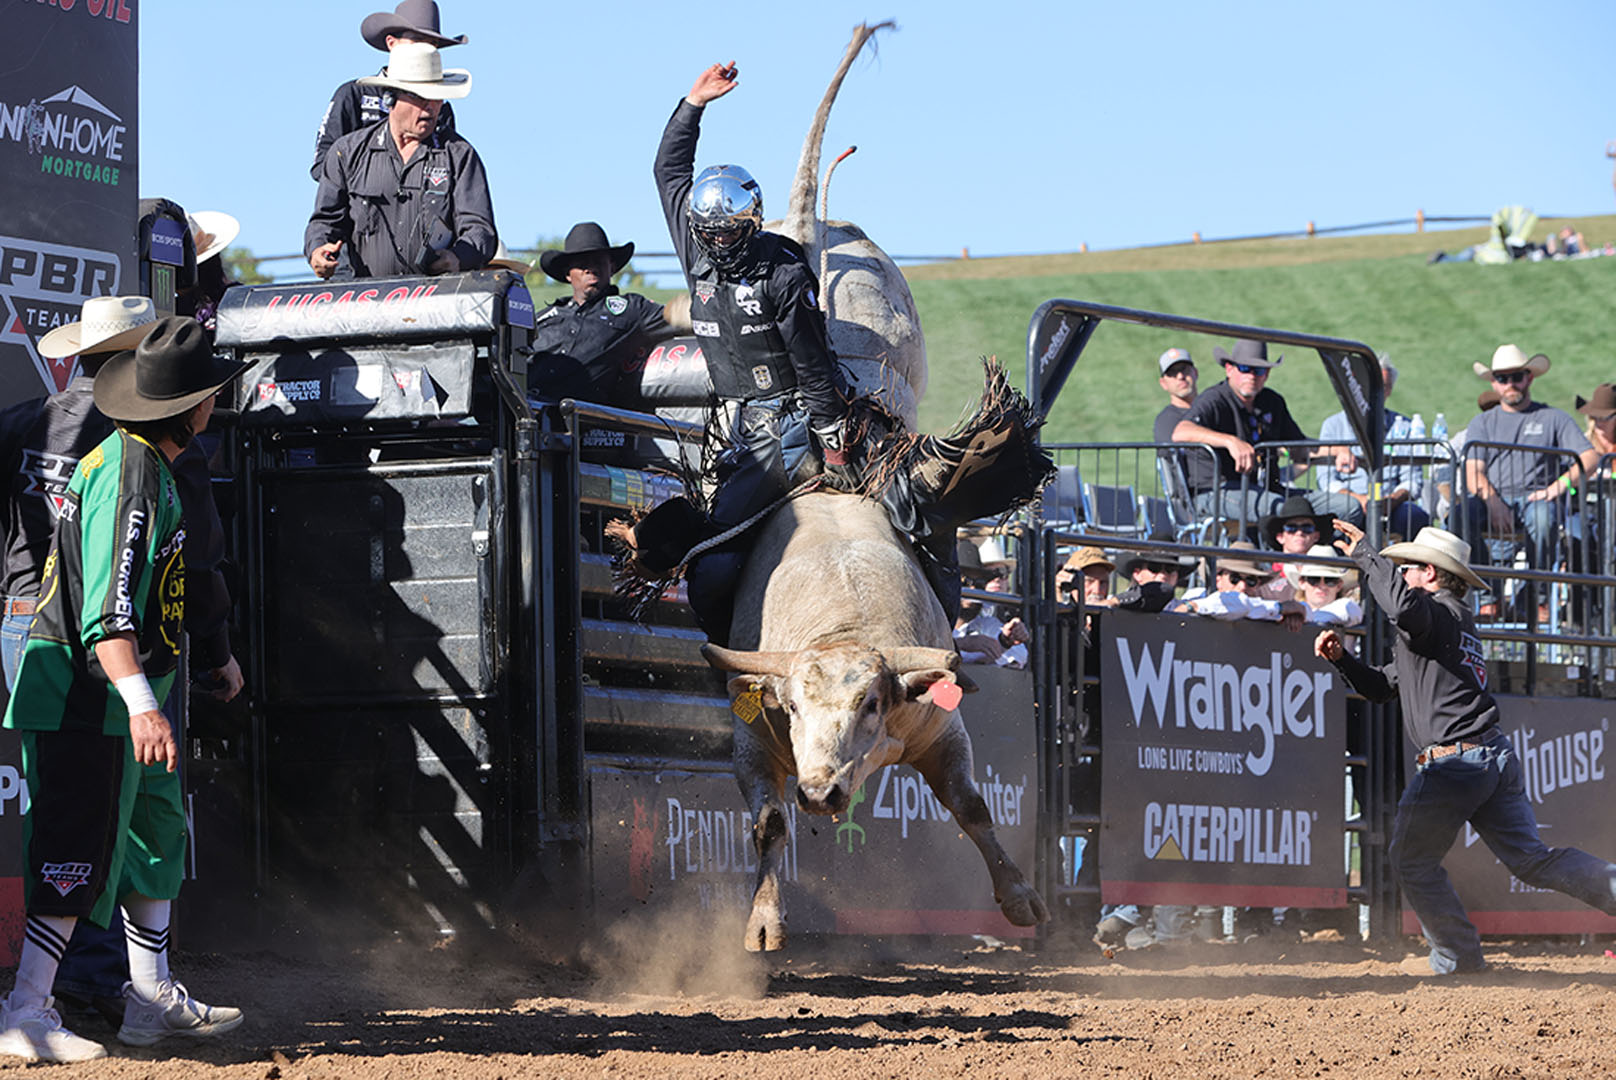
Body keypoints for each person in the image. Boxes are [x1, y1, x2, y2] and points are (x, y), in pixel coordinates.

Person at [0, 318, 247, 1062]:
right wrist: (143, 702)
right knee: (78, 839)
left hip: (115, 681)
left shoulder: (145, 462)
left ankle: (149, 997)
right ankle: (26, 1009)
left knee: (149, 834)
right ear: (197, 407)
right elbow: (108, 607)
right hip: (91, 689)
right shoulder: (133, 472)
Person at [1315, 521, 1616, 975]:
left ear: (1431, 574)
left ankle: (1458, 957)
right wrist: (1344, 660)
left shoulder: (1435, 615)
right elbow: (1381, 687)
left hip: (1456, 762)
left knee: (1411, 859)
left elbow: (1400, 606)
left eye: (1408, 568)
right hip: (1490, 756)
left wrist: (1365, 554)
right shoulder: (1452, 622)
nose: (1403, 575)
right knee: (1531, 860)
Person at [650, 61, 852, 644]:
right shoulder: (698, 251)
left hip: (789, 425)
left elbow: (814, 364)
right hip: (739, 424)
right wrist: (693, 103)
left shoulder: (784, 271)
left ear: (750, 224)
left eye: (725, 233)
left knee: (709, 570)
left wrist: (833, 442)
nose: (713, 242)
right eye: (705, 232)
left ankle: (736, 679)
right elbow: (668, 171)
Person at [306, 41, 495, 281]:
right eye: (420, 97)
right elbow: (325, 221)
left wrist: (457, 258)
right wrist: (318, 250)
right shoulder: (347, 153)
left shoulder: (459, 155)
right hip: (361, 302)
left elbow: (480, 231)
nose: (431, 106)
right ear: (390, 98)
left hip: (436, 304)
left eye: (437, 98)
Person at [1453, 345, 1596, 568]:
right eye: (1502, 378)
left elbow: (1589, 457)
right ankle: (1488, 591)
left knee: (1542, 520)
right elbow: (1473, 472)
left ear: (1529, 378)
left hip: (1537, 500)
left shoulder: (1554, 418)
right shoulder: (1482, 423)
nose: (1510, 384)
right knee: (1457, 516)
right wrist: (1494, 503)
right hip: (1493, 497)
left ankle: (1537, 594)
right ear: (1494, 383)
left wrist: (1557, 487)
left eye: (1516, 376)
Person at [310, 0, 465, 181]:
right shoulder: (353, 95)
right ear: (391, 43)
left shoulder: (440, 106)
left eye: (432, 44)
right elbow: (322, 166)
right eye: (417, 41)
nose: (425, 50)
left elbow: (448, 169)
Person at [525, 222, 674, 403]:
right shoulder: (543, 317)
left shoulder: (631, 310)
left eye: (597, 260)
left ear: (611, 267)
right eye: (581, 263)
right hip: (522, 409)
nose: (590, 268)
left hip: (577, 419)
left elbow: (681, 315)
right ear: (568, 274)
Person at [1172, 339, 1308, 530]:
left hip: (1267, 490)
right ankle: (1282, 559)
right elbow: (1181, 432)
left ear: (1267, 374)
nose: (1251, 376)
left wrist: (1340, 452)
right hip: (1215, 491)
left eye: (1259, 370)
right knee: (1283, 508)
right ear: (1229, 369)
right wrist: (1230, 441)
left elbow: (1301, 448)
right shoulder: (1215, 398)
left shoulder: (1272, 401)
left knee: (1345, 507)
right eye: (1244, 368)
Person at [1313, 356, 1430, 539]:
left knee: (1415, 517)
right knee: (1345, 513)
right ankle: (1341, 565)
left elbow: (1413, 480)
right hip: (1348, 501)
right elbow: (1326, 480)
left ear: (1389, 390)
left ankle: (1411, 566)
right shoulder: (1332, 425)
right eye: (1368, 385)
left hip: (1392, 504)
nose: (1374, 392)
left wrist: (1392, 500)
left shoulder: (1405, 427)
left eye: (1381, 386)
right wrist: (1358, 500)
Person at [1170, 541, 1305, 631]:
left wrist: (1296, 612)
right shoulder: (1197, 596)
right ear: (1218, 579)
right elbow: (1235, 603)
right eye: (1234, 578)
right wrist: (1281, 608)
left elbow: (1311, 612)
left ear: (1258, 584)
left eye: (1250, 580)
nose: (1242, 586)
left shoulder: (1263, 607)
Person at [953, 538, 1028, 667]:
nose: (973, 589)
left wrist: (1006, 640)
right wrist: (962, 644)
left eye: (979, 583)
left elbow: (1020, 655)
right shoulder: (930, 618)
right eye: (965, 582)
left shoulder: (985, 624)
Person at [1256, 494, 1334, 598]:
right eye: (1291, 528)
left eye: (1307, 528)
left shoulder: (1330, 577)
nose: (1299, 532)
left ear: (1316, 536)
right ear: (1280, 537)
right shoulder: (1263, 582)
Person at [1296, 545, 1362, 626]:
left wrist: (1302, 619)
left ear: (1339, 585)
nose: (1322, 585)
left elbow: (1349, 608)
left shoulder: (1348, 608)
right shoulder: (1294, 610)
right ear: (1302, 583)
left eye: (1330, 580)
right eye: (1314, 579)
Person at [1152, 347, 1197, 445]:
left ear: (1196, 372)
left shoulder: (1210, 406)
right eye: (1172, 373)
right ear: (1163, 383)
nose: (1180, 376)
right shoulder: (1165, 421)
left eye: (1184, 369)